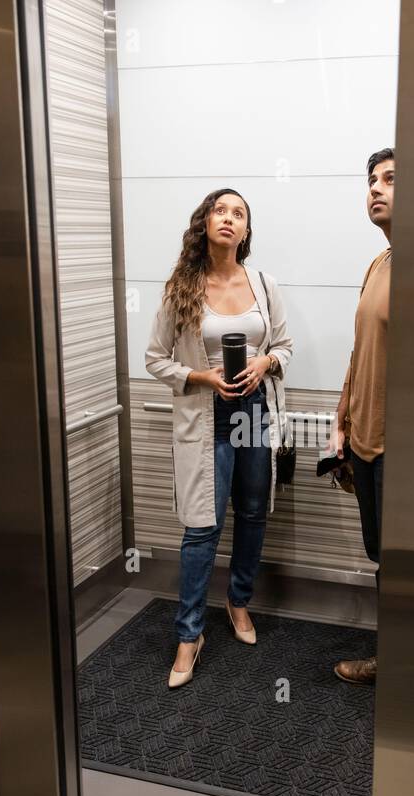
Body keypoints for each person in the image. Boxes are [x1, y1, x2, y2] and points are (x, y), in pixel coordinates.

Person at [145, 188, 294, 689]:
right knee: (202, 527)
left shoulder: (266, 285)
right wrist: (201, 377)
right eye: (220, 210)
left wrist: (264, 361)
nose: (229, 219)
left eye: (239, 213)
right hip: (207, 417)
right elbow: (155, 358)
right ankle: (189, 634)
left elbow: (285, 348)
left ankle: (239, 601)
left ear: (247, 230)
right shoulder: (182, 288)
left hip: (255, 414)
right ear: (205, 223)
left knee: (252, 512)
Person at [330, 148, 393, 686]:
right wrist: (342, 423)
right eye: (371, 180)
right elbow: (359, 351)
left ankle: (407, 664)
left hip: (406, 448)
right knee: (384, 556)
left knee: (408, 559)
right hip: (367, 439)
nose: (375, 188)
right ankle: (396, 657)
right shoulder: (380, 263)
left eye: (391, 180)